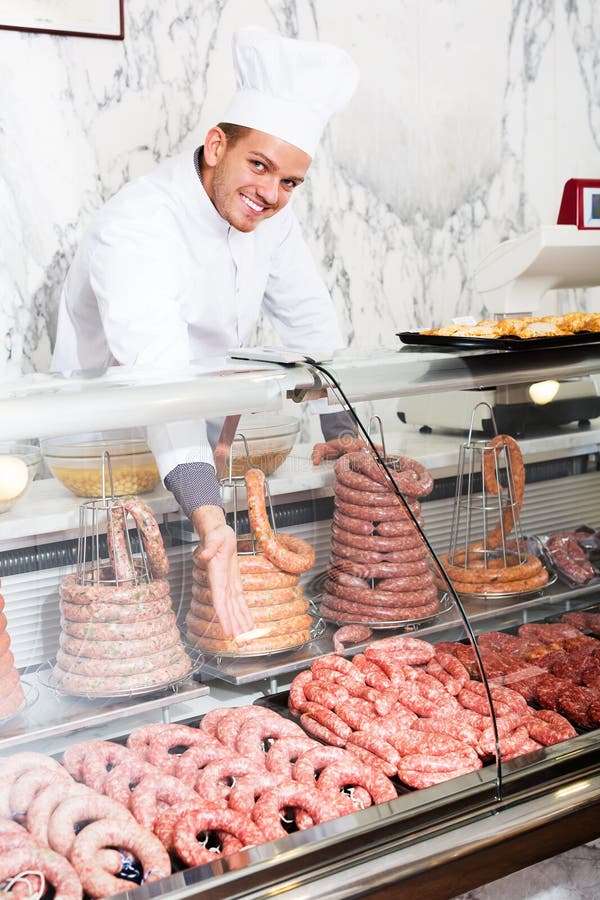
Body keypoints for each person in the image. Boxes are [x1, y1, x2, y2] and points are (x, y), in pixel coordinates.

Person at [52, 25, 359, 639]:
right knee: (124, 642)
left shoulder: (270, 219)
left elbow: (311, 327)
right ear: (216, 144)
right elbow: (157, 375)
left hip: (201, 456)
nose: (271, 195)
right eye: (259, 165)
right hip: (110, 461)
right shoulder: (139, 222)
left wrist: (345, 435)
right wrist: (211, 520)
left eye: (291, 183)